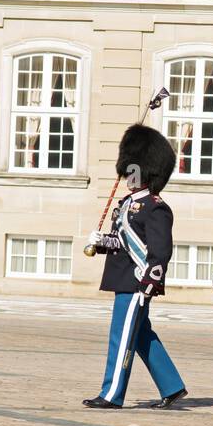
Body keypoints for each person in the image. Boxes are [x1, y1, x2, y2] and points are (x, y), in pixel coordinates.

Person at [83, 124, 188, 410]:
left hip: (136, 281)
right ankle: (172, 386)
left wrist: (150, 284)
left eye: (133, 170)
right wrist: (102, 241)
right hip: (123, 278)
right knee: (141, 336)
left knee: (121, 337)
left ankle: (112, 393)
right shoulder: (127, 204)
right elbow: (121, 243)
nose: (128, 175)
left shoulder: (155, 207)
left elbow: (160, 251)